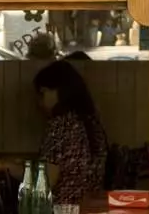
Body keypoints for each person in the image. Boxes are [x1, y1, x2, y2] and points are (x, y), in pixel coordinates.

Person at [33, 59, 108, 205]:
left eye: (42, 93)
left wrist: (11, 167)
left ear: (59, 91)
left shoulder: (61, 124)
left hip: (63, 211)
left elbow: (48, 179)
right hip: (89, 206)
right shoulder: (90, 121)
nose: (39, 102)